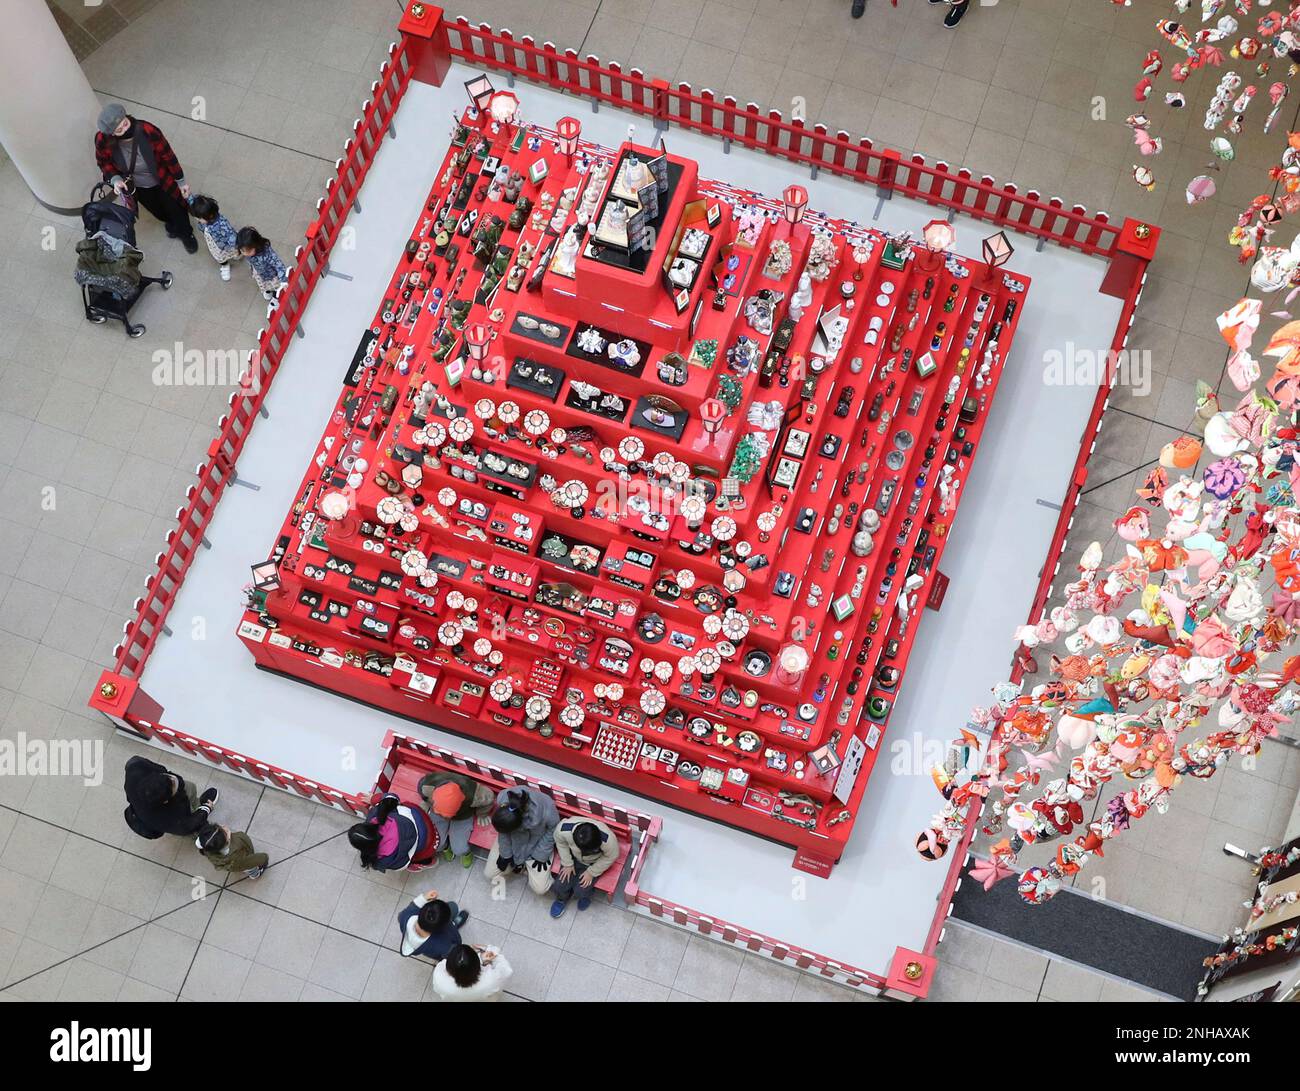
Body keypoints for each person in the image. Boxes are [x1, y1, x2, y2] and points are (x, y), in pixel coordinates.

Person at [94, 103, 197, 253]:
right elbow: (103, 162)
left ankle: (186, 233)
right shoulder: (102, 140)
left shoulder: (148, 131)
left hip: (162, 180)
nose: (125, 130)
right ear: (111, 134)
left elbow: (168, 156)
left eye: (125, 123)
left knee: (176, 208)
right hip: (137, 186)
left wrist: (181, 182)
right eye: (119, 130)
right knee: (157, 210)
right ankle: (171, 223)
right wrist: (115, 179)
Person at [484, 785, 559, 896]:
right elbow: (503, 832)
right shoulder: (504, 800)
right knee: (489, 874)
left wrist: (541, 854)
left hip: (537, 844)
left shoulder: (547, 810)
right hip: (512, 841)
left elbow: (554, 829)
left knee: (540, 889)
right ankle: (518, 865)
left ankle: (523, 866)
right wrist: (505, 854)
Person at [122, 754, 218, 840]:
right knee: (193, 827)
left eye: (169, 777)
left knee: (190, 787)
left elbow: (137, 762)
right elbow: (186, 827)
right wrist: (206, 809)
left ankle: (196, 804)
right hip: (173, 822)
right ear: (166, 801)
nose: (175, 779)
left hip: (149, 804)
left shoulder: (135, 768)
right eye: (175, 788)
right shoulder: (166, 819)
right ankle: (199, 833)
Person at [418, 770, 494, 868]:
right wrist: (426, 803)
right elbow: (423, 794)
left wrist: (482, 814)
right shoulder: (426, 786)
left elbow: (489, 798)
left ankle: (465, 853)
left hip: (462, 815)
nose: (445, 818)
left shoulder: (474, 794)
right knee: (435, 843)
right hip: (436, 810)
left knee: (460, 849)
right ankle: (445, 847)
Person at [347, 792, 438, 872]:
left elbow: (401, 866)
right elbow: (392, 798)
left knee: (417, 858)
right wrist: (374, 799)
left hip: (426, 850)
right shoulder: (376, 814)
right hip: (426, 822)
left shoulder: (383, 860)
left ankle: (429, 862)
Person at [549, 817, 620, 918]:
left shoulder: (608, 840)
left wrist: (591, 872)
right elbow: (560, 842)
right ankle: (561, 899)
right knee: (559, 885)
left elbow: (611, 856)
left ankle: (586, 896)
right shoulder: (564, 829)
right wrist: (567, 863)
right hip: (573, 857)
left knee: (581, 890)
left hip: (594, 863)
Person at [397, 889, 468, 960]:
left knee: (452, 906)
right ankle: (454, 924)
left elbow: (413, 907)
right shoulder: (442, 946)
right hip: (446, 944)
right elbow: (451, 952)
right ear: (443, 927)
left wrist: (424, 898)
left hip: (429, 949)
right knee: (453, 907)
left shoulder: (405, 917)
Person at [430, 943, 512, 1002]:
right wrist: (490, 949)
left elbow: (444, 964)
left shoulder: (439, 976)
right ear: (477, 966)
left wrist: (479, 959)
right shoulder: (492, 980)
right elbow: (507, 970)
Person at [189, 194, 240, 281]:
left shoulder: (222, 225)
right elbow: (193, 203)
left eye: (199, 218)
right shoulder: (205, 216)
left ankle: (233, 258)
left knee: (229, 253)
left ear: (209, 216)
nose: (197, 220)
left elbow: (232, 238)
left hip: (224, 246)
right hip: (214, 244)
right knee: (219, 257)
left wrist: (237, 246)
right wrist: (188, 196)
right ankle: (226, 264)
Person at [197, 822, 268, 879]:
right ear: (227, 839)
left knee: (243, 866)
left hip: (230, 865)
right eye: (222, 829)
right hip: (242, 862)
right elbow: (255, 859)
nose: (223, 826)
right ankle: (255, 875)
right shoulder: (237, 844)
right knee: (250, 867)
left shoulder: (207, 848)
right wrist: (264, 857)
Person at [236, 227, 287, 300]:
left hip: (272, 275)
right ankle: (268, 290)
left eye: (248, 251)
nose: (245, 253)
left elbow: (278, 265)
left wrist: (283, 280)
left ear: (256, 245)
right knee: (264, 285)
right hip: (259, 272)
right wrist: (252, 269)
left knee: (275, 287)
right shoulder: (248, 253)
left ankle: (275, 297)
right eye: (242, 250)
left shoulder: (267, 253)